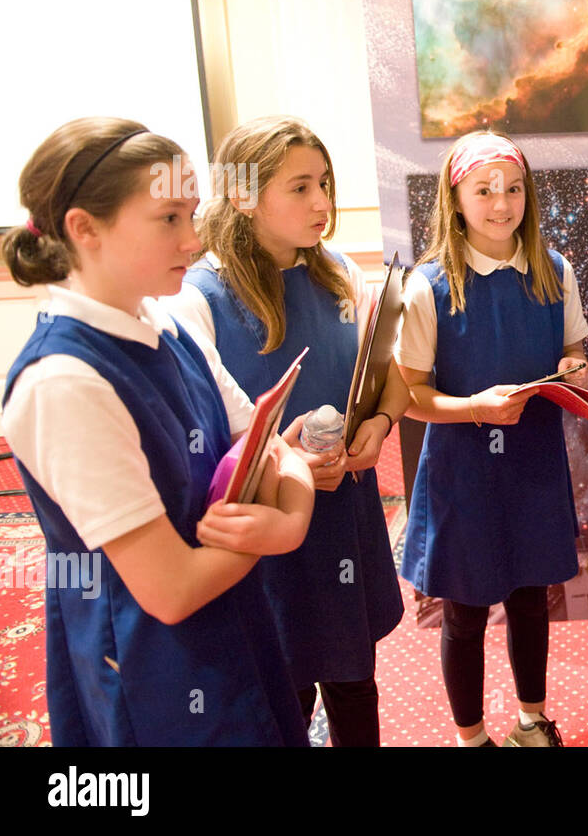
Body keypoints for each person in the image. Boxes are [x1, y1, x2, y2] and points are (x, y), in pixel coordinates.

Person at [2, 117, 315, 746]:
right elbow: (170, 590)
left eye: (194, 214)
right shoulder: (64, 382)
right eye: (170, 218)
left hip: (231, 617)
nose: (195, 240)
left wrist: (293, 513)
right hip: (152, 667)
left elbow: (271, 444)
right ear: (83, 228)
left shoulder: (170, 325)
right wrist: (276, 532)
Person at [165, 116, 406, 747]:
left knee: (354, 680)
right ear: (244, 195)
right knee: (281, 691)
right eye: (300, 187)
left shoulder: (339, 274)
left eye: (325, 183)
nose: (323, 202)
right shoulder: (198, 299)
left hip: (341, 514)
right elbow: (197, 435)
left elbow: (393, 378)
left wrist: (378, 426)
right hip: (264, 529)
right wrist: (284, 460)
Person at [396, 130, 588, 747]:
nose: (501, 203)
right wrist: (475, 408)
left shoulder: (555, 272)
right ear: (455, 199)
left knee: (533, 596)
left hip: (532, 462)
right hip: (463, 470)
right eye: (484, 190)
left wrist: (577, 372)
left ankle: (532, 721)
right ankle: (471, 737)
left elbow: (574, 353)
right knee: (467, 609)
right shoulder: (426, 287)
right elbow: (411, 396)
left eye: (512, 189)